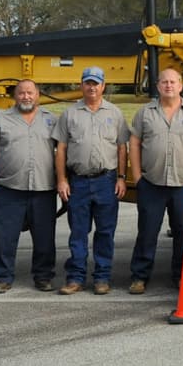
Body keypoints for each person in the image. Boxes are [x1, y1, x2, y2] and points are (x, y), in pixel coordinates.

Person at [128, 67, 183, 294]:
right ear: (157, 86)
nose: (169, 86)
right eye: (164, 82)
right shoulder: (145, 113)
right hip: (152, 183)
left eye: (173, 82)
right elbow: (134, 143)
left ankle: (181, 276)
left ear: (181, 85)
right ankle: (139, 277)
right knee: (147, 231)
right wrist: (137, 176)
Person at [52, 66, 129, 295]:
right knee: (78, 232)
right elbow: (61, 149)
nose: (92, 87)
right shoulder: (70, 114)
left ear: (103, 86)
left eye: (96, 83)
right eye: (88, 83)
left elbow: (122, 148)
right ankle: (76, 278)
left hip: (106, 181)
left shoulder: (114, 113)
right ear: (81, 85)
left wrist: (122, 178)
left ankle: (102, 278)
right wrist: (62, 180)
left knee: (105, 232)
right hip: (79, 182)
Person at [0, 79, 57, 293]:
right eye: (21, 93)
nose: (26, 97)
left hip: (43, 189)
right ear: (15, 96)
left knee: (44, 238)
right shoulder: (1, 120)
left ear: (38, 95)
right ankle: (3, 278)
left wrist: (62, 180)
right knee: (5, 238)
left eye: (30, 93)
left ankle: (43, 277)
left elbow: (64, 150)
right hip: (8, 189)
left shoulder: (51, 120)